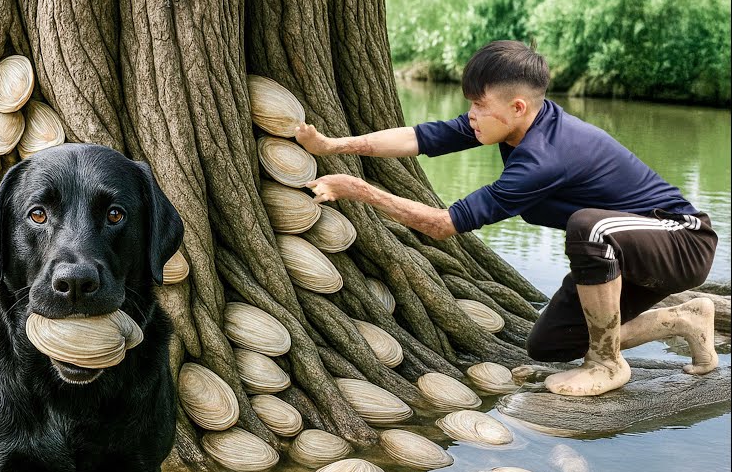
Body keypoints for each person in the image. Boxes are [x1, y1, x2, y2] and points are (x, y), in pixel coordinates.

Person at [294, 40, 719, 397]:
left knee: (588, 227)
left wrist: (357, 189)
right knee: (549, 346)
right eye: (470, 106)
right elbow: (420, 137)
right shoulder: (511, 123)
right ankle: (685, 319)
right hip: (622, 252)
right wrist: (333, 145)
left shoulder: (544, 157)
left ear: (517, 106)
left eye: (479, 105)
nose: (471, 115)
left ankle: (607, 364)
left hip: (682, 241)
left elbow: (443, 225)